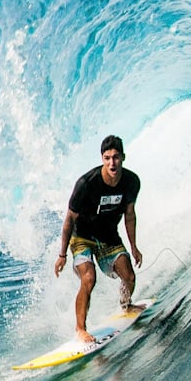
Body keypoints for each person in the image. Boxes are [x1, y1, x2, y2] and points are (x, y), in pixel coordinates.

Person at [54, 134, 143, 342]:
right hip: (82, 237)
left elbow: (130, 215)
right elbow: (69, 220)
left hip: (108, 237)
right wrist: (62, 255)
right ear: (102, 158)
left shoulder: (131, 182)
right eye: (107, 158)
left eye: (116, 157)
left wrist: (134, 247)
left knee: (129, 276)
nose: (112, 163)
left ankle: (125, 305)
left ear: (123, 157)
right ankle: (80, 329)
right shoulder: (86, 183)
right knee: (88, 278)